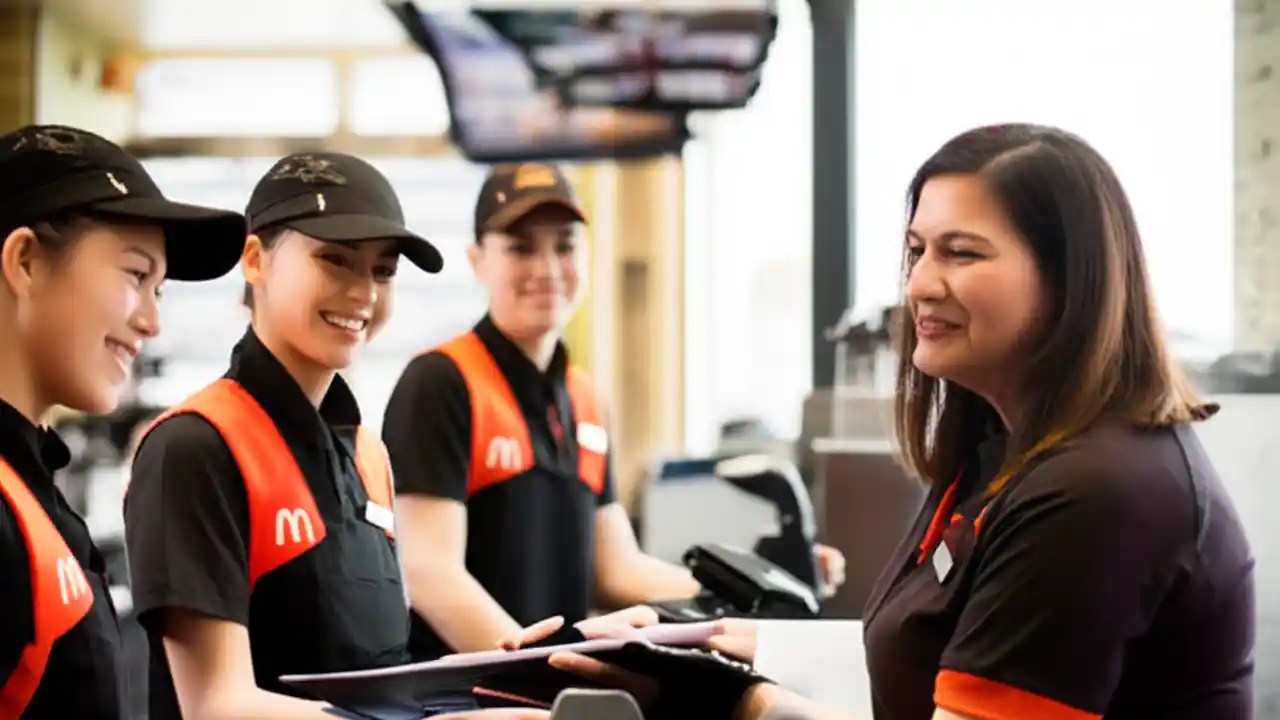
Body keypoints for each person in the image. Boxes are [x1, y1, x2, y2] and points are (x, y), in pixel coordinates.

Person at [530, 124, 1258, 720]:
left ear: (1072, 280)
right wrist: (696, 644)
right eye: (915, 251)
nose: (918, 285)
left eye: (961, 253)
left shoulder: (1097, 495)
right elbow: (917, 655)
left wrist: (729, 703)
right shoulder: (994, 462)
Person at [122, 152, 545, 720]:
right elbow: (215, 704)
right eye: (335, 260)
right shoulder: (196, 446)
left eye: (383, 270)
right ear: (255, 260)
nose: (363, 292)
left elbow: (384, 671)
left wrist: (555, 659)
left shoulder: (369, 454)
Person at [383, 162, 846, 658]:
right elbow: (430, 572)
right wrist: (529, 667)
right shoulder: (441, 381)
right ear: (477, 260)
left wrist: (756, 586)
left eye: (564, 246)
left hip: (549, 691)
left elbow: (616, 569)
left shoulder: (584, 397)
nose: (547, 269)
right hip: (468, 697)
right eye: (521, 247)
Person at [0, 124, 245, 718]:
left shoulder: (31, 485)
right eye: (137, 276)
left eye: (158, 288)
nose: (152, 322)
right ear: (26, 262)